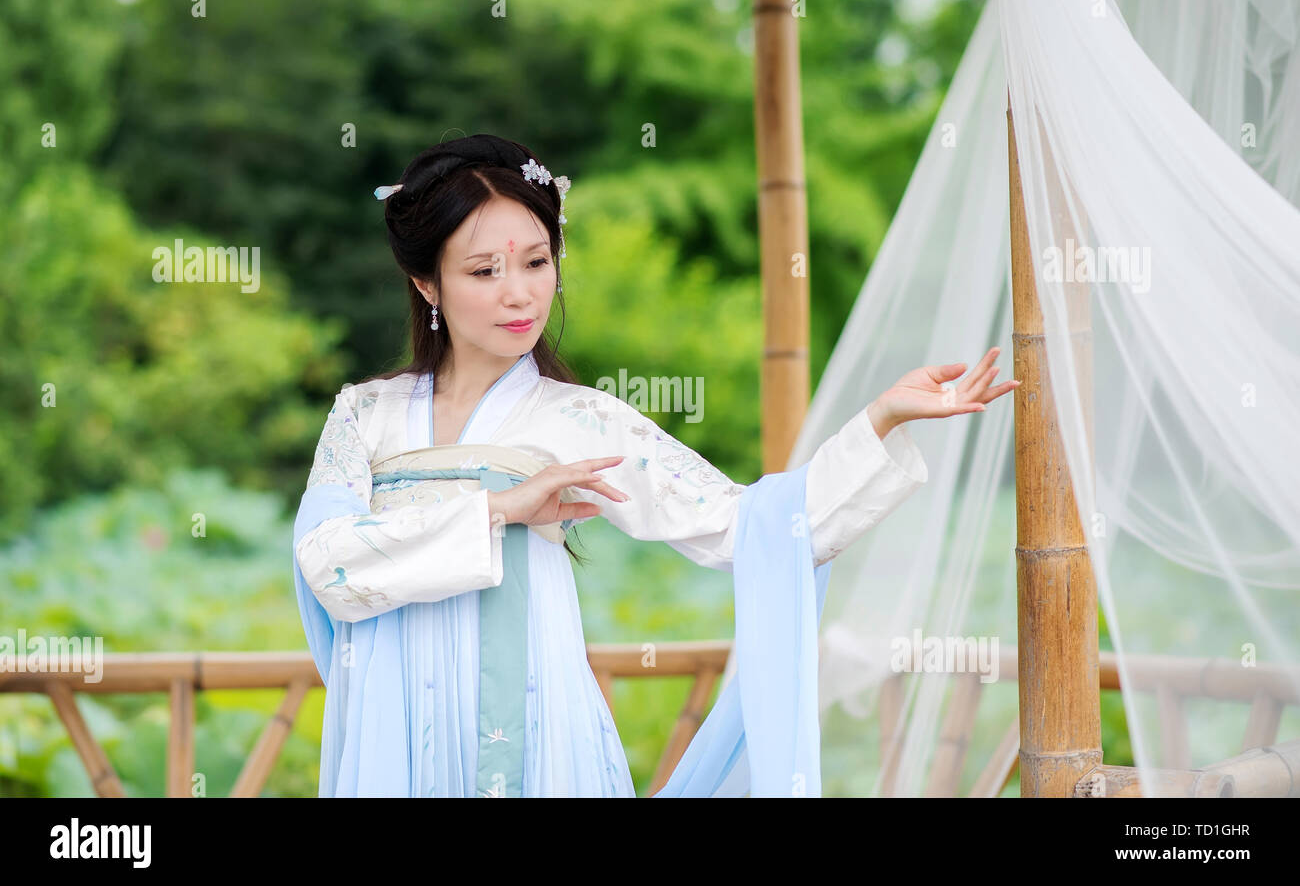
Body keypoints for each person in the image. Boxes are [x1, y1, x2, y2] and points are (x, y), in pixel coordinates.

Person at [291, 133, 1017, 797]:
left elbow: (750, 527)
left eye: (538, 261)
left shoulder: (578, 419)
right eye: (485, 270)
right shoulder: (366, 415)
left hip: (544, 749)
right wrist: (504, 509)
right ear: (427, 286)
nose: (520, 293)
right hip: (392, 746)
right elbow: (328, 565)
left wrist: (880, 420)